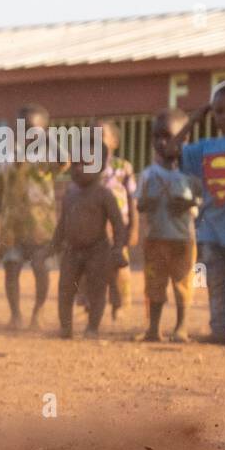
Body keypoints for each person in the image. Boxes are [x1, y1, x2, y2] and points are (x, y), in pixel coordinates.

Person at [171, 79, 225, 345]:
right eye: (219, 111)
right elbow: (172, 150)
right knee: (214, 283)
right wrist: (195, 118)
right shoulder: (204, 147)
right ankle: (218, 330)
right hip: (209, 230)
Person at [0, 103, 62, 329]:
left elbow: (65, 163)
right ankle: (15, 314)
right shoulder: (8, 160)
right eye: (23, 129)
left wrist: (49, 140)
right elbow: (0, 193)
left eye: (34, 130)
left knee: (41, 268)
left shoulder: (46, 159)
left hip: (41, 230)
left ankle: (38, 312)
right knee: (11, 267)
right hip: (13, 229)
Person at [137, 108, 199, 343]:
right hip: (155, 239)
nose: (162, 142)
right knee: (154, 284)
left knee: (182, 284)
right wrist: (146, 203)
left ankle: (181, 327)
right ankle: (153, 328)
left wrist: (187, 204)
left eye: (168, 136)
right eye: (157, 137)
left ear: (185, 139)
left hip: (183, 240)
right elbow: (139, 205)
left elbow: (200, 202)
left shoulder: (191, 175)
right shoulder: (148, 174)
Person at [53, 158, 127, 338]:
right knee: (65, 288)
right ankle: (66, 328)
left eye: (84, 165)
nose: (78, 169)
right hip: (72, 250)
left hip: (97, 249)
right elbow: (62, 224)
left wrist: (117, 248)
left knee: (97, 290)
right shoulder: (69, 194)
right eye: (76, 165)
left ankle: (92, 327)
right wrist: (52, 246)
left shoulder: (104, 194)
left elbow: (118, 224)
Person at [97, 121, 138, 322]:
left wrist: (134, 228)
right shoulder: (87, 167)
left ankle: (119, 305)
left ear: (114, 141)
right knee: (93, 269)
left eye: (101, 135)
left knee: (119, 269)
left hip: (117, 228)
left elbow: (132, 198)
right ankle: (92, 304)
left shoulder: (123, 167)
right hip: (94, 229)